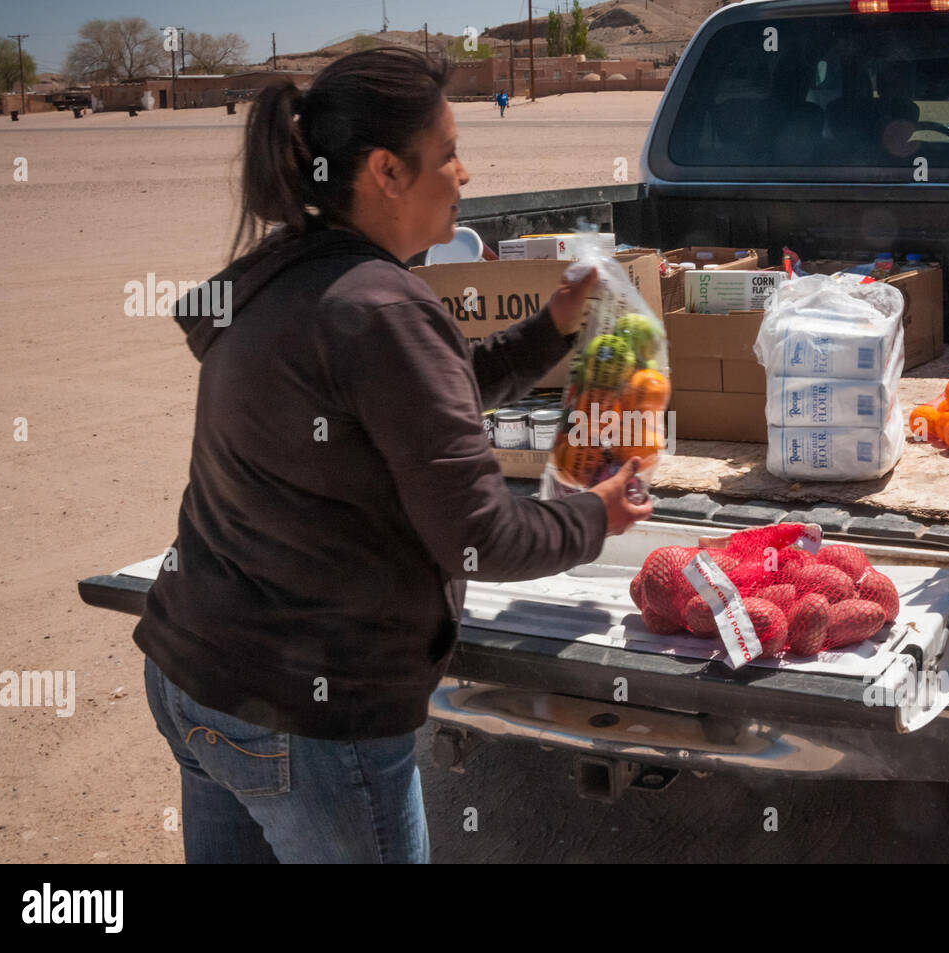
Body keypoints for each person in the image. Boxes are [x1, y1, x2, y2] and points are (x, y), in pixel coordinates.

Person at [133, 47, 652, 864]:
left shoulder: (288, 278)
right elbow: (482, 535)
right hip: (307, 716)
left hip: (197, 671)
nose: (466, 172)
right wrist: (595, 514)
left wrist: (548, 330)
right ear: (385, 171)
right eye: (446, 152)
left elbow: (417, 403)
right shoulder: (381, 308)